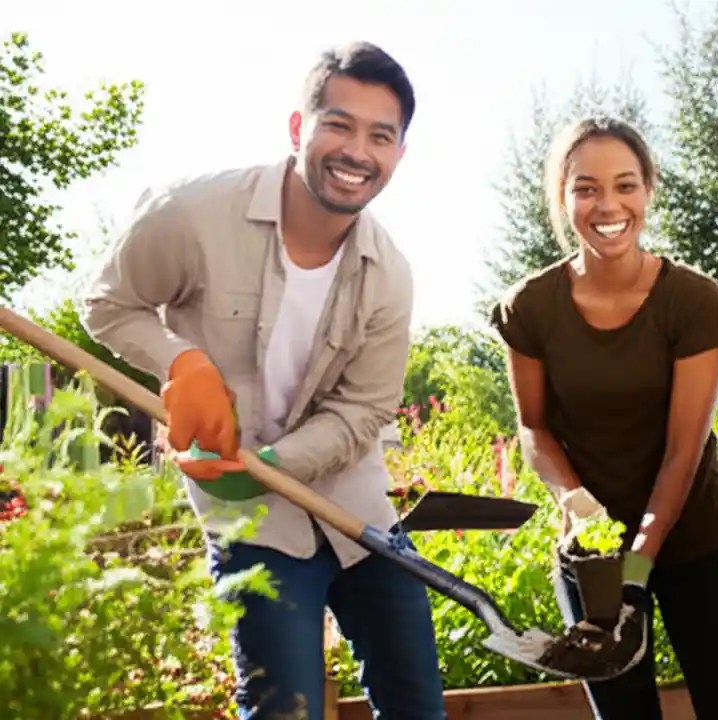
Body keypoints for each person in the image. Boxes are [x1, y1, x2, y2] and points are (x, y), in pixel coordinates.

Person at [81, 42, 448, 719]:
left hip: (358, 513)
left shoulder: (388, 273)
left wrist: (274, 463)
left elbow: (364, 410)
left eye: (380, 136)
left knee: (417, 705)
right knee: (286, 709)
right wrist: (180, 361)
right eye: (338, 124)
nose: (356, 151)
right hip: (250, 523)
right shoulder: (193, 216)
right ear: (296, 129)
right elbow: (107, 304)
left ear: (399, 153)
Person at [489, 115, 718, 719]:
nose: (607, 204)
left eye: (625, 185)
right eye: (586, 188)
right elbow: (533, 426)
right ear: (562, 198)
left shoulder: (691, 300)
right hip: (592, 558)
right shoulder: (530, 306)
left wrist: (638, 562)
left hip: (694, 536)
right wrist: (575, 502)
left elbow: (683, 449)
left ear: (648, 191)